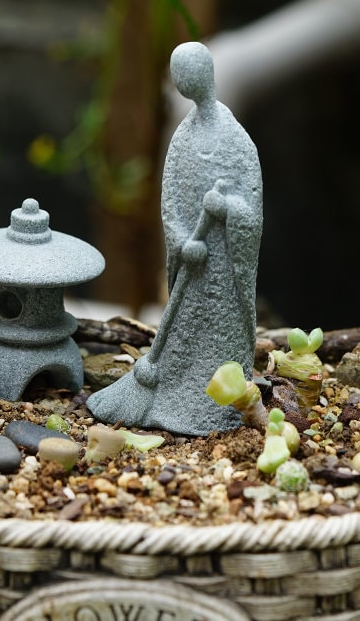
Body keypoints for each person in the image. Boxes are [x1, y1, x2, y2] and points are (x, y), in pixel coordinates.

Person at [87, 42, 263, 435]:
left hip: (222, 273)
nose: (183, 83)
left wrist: (226, 209)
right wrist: (183, 241)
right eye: (177, 75)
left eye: (188, 73)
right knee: (182, 334)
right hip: (192, 265)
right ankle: (169, 396)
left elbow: (250, 214)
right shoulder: (182, 138)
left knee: (219, 335)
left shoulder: (236, 141)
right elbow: (170, 201)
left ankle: (215, 405)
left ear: (206, 75)